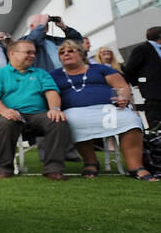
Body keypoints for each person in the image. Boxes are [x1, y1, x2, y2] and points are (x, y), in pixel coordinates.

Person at [50, 39, 154, 180]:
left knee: (130, 120)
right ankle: (90, 162)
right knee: (73, 120)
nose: (66, 54)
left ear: (81, 54)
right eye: (62, 53)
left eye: (71, 51)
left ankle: (135, 166)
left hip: (108, 107)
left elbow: (122, 87)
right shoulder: (54, 75)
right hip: (74, 110)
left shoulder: (100, 69)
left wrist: (122, 97)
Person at [0, 38, 70, 179]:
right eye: (28, 52)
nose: (32, 56)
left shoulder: (41, 74)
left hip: (38, 115)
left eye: (34, 53)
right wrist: (5, 111)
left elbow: (52, 92)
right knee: (5, 122)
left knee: (57, 120)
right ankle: (5, 167)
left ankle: (53, 169)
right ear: (12, 54)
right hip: (9, 115)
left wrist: (55, 108)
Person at [122, 26, 161, 127]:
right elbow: (130, 69)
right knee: (156, 122)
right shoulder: (142, 49)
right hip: (153, 94)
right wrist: (139, 84)